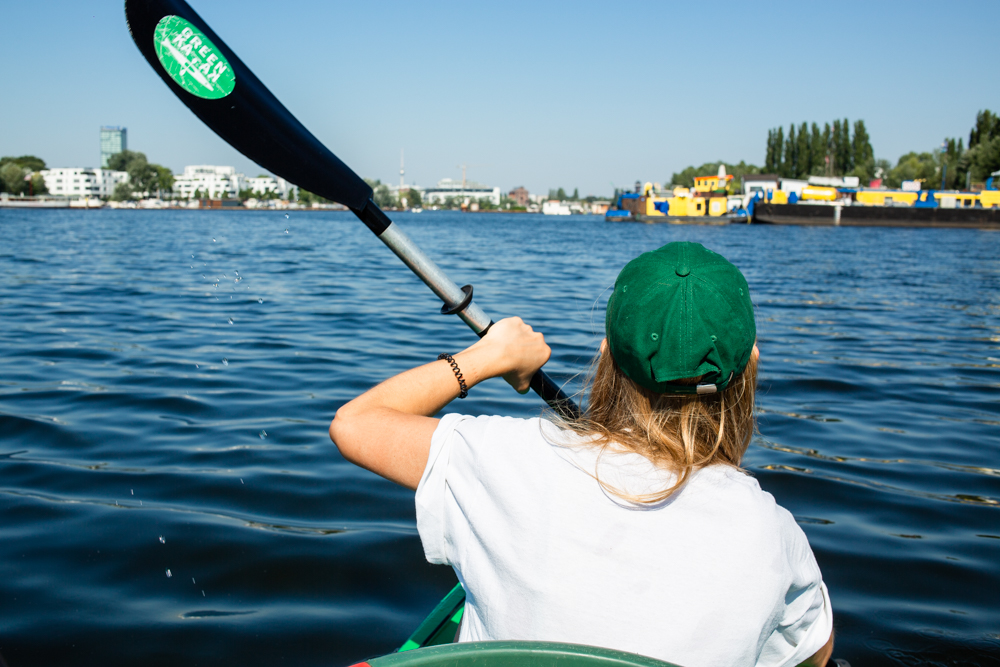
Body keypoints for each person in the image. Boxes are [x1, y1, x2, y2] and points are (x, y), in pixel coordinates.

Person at [330, 241, 834, 667]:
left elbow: (355, 425)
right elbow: (816, 652)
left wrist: (490, 355)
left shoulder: (506, 462)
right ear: (750, 366)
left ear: (606, 355)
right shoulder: (772, 533)